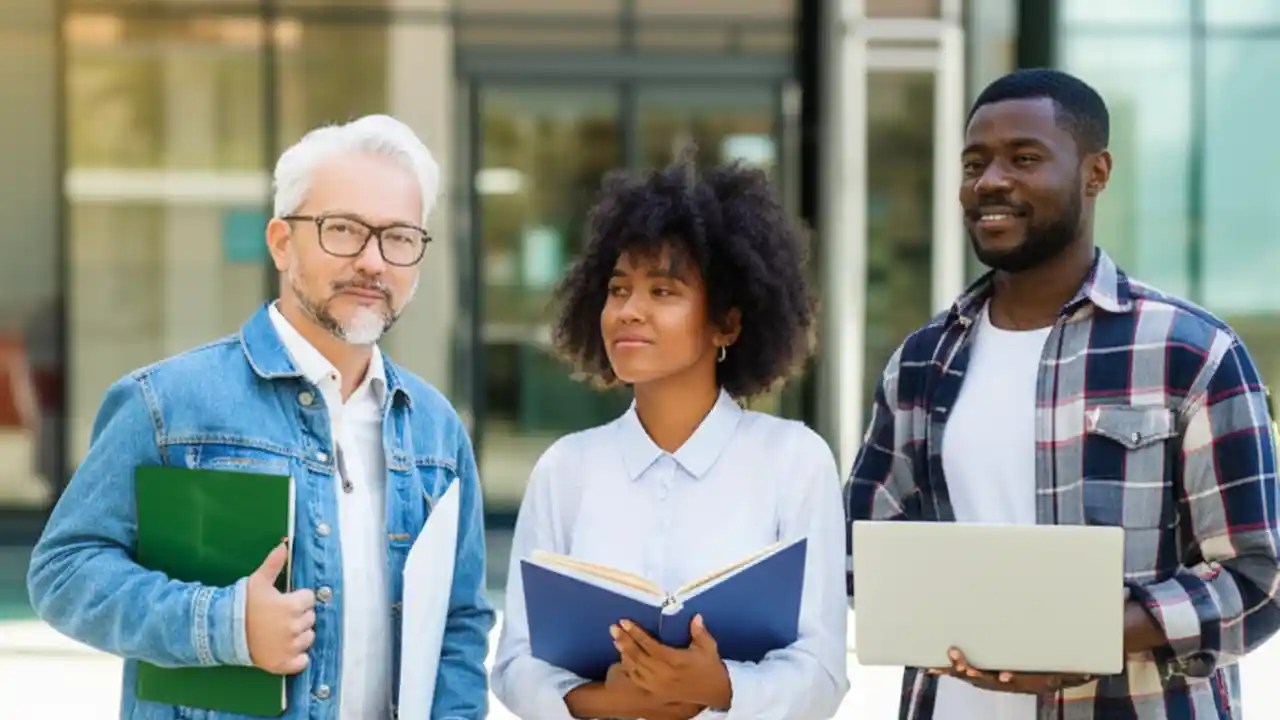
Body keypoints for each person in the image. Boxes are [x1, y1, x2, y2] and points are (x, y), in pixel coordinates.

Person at [844, 67, 1280, 719]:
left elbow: (1258, 576)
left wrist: (1088, 637)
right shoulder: (921, 363)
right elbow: (861, 551)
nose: (991, 181)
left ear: (1095, 173)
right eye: (975, 163)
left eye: (1024, 158)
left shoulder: (1191, 353)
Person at [27, 114, 495, 719]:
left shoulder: (436, 430)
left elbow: (459, 623)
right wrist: (224, 624)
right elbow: (64, 573)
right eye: (343, 229)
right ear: (281, 241)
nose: (373, 261)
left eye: (399, 237)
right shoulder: (169, 404)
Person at [490, 159, 850, 719]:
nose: (629, 311)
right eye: (617, 289)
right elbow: (515, 663)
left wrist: (718, 687)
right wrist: (608, 702)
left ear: (727, 324)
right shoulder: (566, 468)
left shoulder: (795, 461)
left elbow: (823, 671)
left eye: (663, 291)